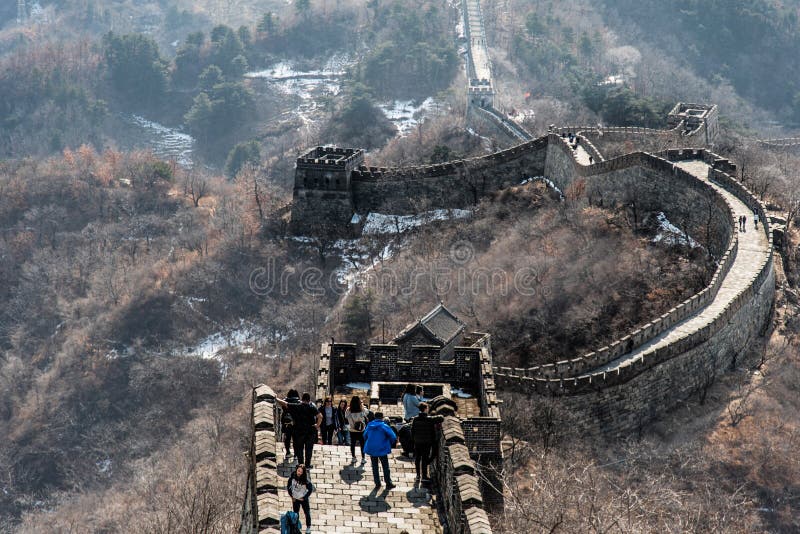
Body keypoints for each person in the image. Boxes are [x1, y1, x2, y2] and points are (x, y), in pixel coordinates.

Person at [277, 392, 322, 468]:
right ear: (309, 400)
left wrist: (276, 398)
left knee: (300, 448)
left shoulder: (297, 406)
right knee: (309, 449)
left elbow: (285, 404)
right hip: (310, 431)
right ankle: (307, 465)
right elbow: (320, 416)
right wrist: (317, 425)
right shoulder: (312, 407)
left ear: (302, 399)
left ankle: (301, 464)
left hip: (299, 431)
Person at [410, 402, 443, 483]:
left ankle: (418, 475)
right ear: (425, 409)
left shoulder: (415, 419)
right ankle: (424, 476)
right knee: (424, 458)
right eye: (427, 408)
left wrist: (414, 439)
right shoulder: (429, 419)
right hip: (426, 442)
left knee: (417, 458)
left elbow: (412, 431)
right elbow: (441, 418)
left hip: (417, 442)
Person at [364, 411, 397, 489]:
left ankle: (377, 483)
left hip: (372, 448)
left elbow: (364, 435)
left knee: (374, 466)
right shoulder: (384, 426)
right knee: (385, 466)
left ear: (375, 417)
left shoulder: (369, 425)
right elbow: (393, 437)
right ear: (382, 417)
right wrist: (389, 443)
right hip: (382, 448)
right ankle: (388, 483)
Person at [286, 464, 314, 533]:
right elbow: (289, 486)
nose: (299, 473)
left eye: (301, 472)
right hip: (295, 499)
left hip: (303, 499)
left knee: (307, 513)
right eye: (298, 471)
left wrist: (304, 498)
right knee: (296, 513)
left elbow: (310, 490)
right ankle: (296, 527)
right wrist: (291, 496)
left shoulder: (306, 480)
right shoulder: (293, 476)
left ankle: (308, 527)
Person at [346, 396, 369, 463]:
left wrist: (353, 426)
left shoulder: (348, 410)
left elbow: (347, 418)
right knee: (362, 444)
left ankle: (353, 457)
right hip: (361, 429)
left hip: (352, 430)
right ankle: (363, 458)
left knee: (353, 444)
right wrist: (362, 405)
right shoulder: (362, 409)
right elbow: (367, 412)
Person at [280, 389, 299, 459]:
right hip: (296, 422)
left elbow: (283, 408)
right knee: (295, 438)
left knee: (287, 438)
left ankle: (288, 452)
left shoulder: (285, 401)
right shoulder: (298, 402)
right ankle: (296, 454)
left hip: (286, 422)